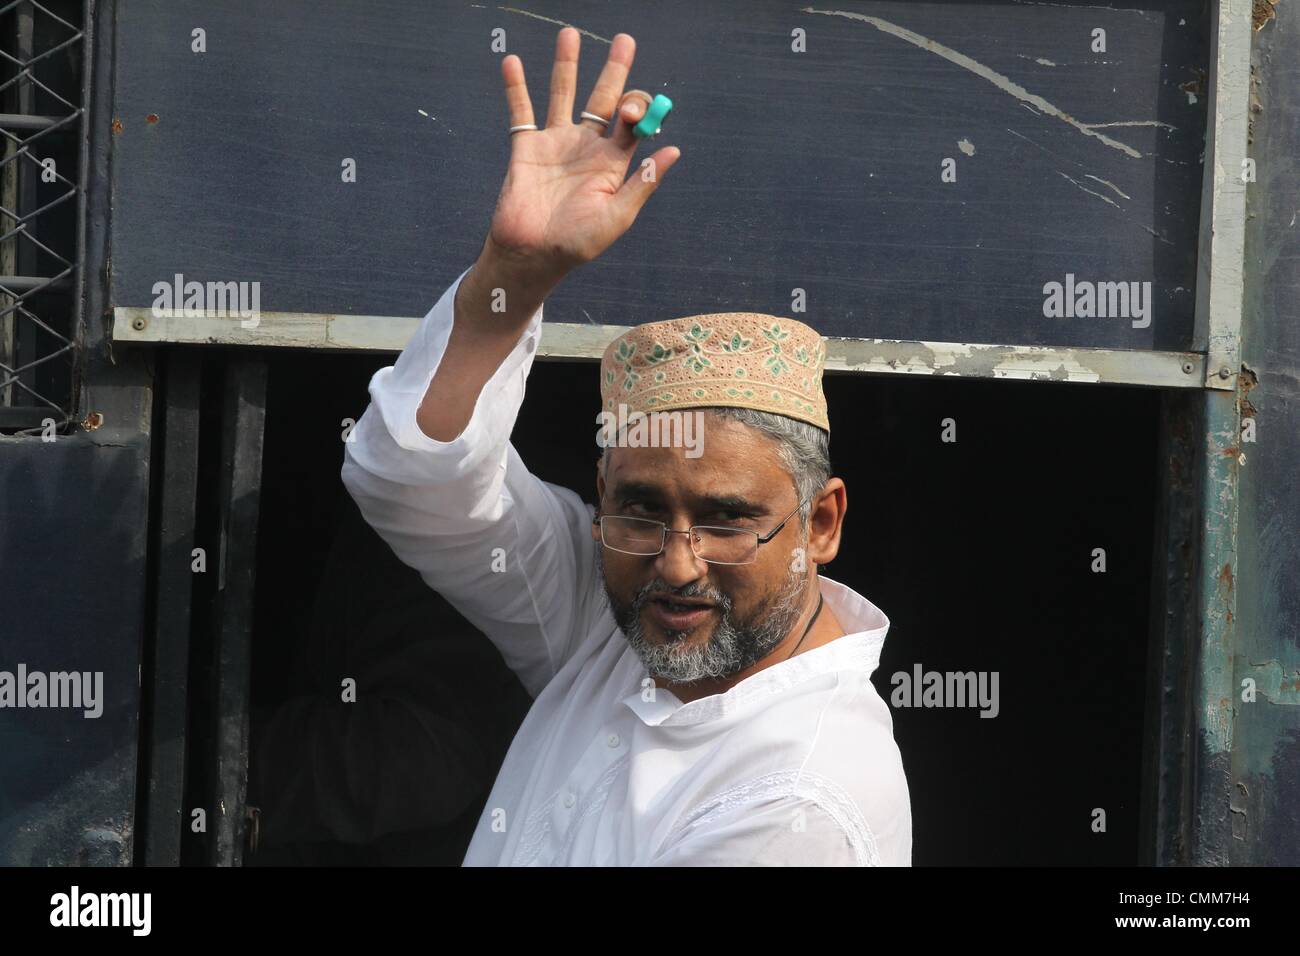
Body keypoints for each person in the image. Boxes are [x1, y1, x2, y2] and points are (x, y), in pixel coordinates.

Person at [341, 27, 910, 865]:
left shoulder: (795, 803)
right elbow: (415, 482)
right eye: (641, 512)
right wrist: (517, 272)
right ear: (603, 494)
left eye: (726, 521)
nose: (678, 564)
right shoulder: (623, 631)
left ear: (821, 523)